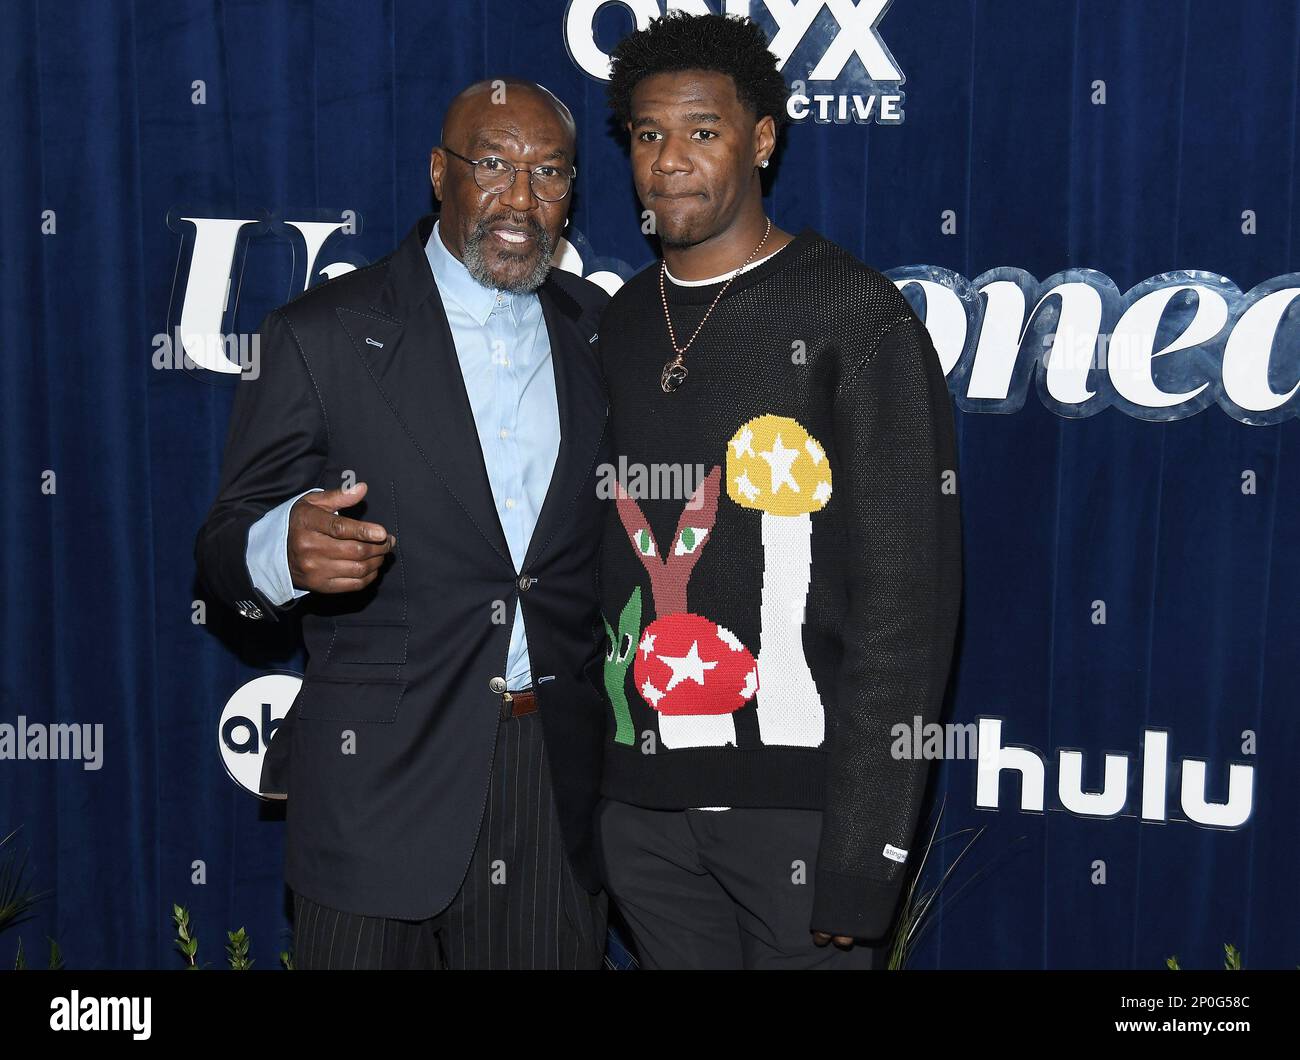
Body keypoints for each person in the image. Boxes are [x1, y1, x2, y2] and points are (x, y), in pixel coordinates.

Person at [195, 78, 612, 969]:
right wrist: (284, 549)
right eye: (494, 165)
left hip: (551, 785)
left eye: (550, 174)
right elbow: (225, 544)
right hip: (375, 793)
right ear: (439, 172)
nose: (521, 199)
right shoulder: (326, 333)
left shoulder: (598, 332)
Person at [592, 11, 963, 969]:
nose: (670, 161)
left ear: (762, 139)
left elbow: (906, 610)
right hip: (641, 814)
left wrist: (864, 854)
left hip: (799, 818)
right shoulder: (621, 321)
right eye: (647, 134)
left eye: (703, 132)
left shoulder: (855, 316)